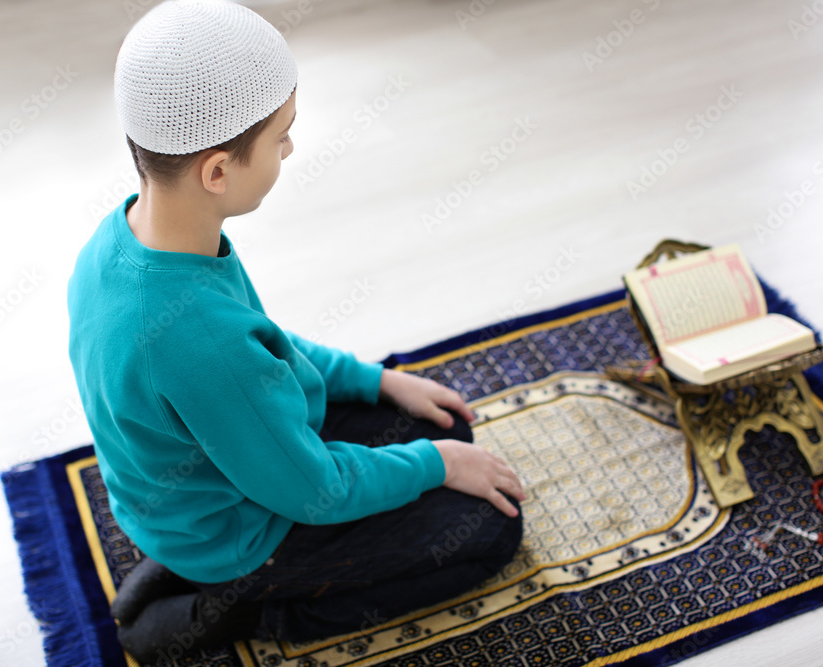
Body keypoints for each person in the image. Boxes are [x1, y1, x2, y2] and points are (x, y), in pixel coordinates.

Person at [67, 0, 526, 663]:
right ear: (218, 171)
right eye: (281, 135)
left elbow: (263, 340)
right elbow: (316, 491)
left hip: (200, 480)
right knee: (486, 529)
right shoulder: (197, 338)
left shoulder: (127, 237)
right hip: (249, 530)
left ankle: (197, 563)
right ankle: (248, 606)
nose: (290, 147)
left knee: (445, 431)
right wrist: (437, 465)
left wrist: (376, 379)